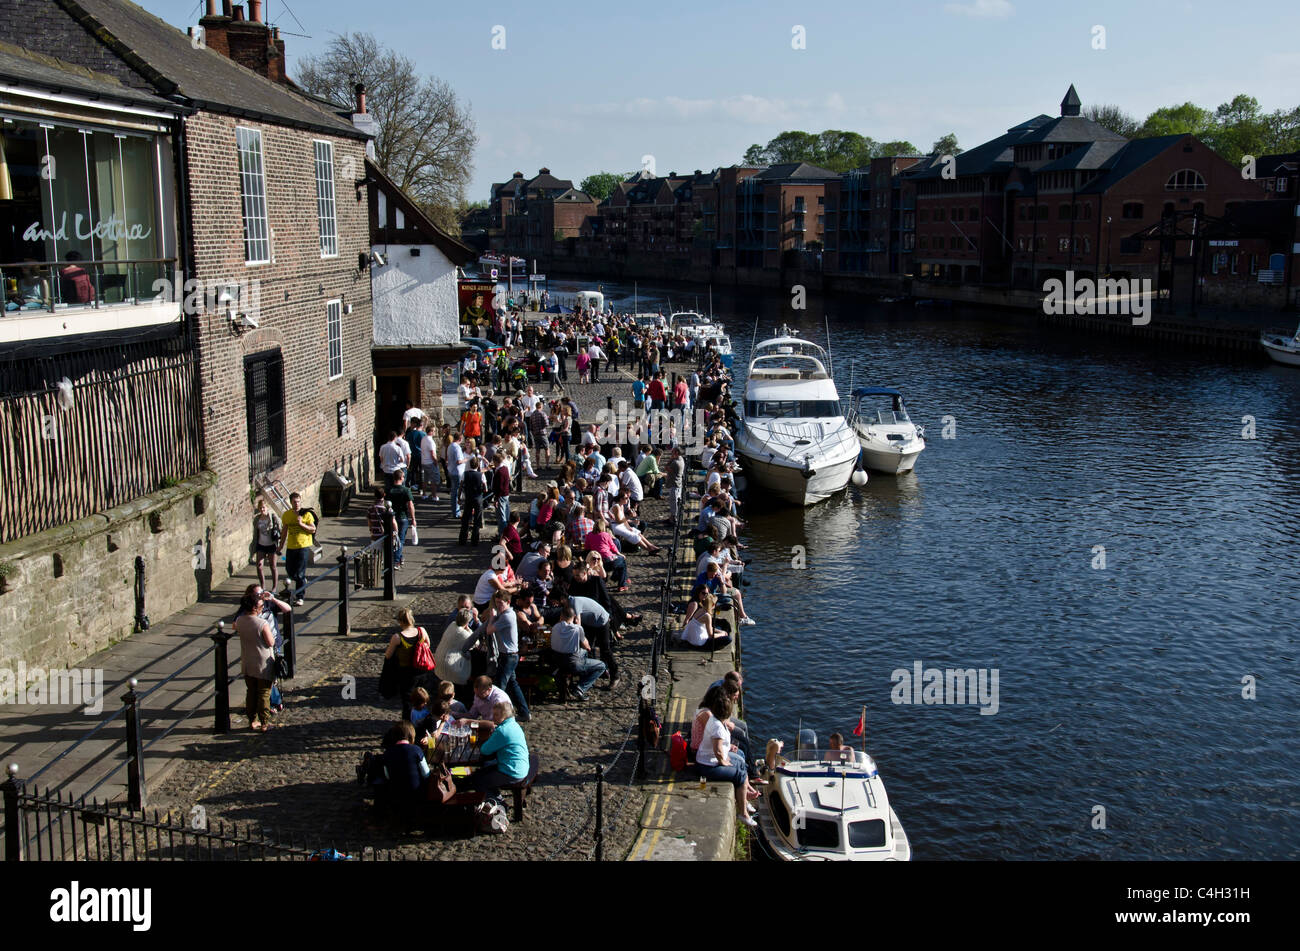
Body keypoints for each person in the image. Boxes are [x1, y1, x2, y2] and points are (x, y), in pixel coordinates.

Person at [695, 692, 759, 828]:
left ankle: (745, 797)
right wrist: (723, 761)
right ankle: (743, 814)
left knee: (741, 760)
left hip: (709, 760)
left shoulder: (716, 721)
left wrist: (726, 753)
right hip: (708, 766)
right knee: (740, 774)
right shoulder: (718, 727)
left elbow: (720, 748)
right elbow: (717, 749)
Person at [234, 588, 277, 731]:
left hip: (247, 662)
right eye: (261, 606)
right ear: (254, 608)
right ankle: (264, 723)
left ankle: (252, 721)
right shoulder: (262, 624)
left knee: (251, 692)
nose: (263, 608)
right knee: (264, 693)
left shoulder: (239, 621)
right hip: (263, 662)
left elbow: (235, 627)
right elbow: (271, 642)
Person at [469, 699, 530, 799]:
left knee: (478, 780)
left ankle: (497, 803)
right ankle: (496, 796)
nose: (493, 717)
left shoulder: (502, 731)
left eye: (496, 715)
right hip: (520, 766)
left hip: (512, 772)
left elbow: (485, 750)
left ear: (504, 715)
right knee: (483, 771)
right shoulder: (514, 725)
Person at [485, 589, 530, 722]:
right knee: (513, 684)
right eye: (497, 603)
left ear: (508, 602)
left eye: (501, 603)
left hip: (508, 657)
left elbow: (489, 630)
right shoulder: (507, 613)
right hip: (509, 655)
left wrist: (492, 617)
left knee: (500, 687)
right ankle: (524, 712)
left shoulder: (506, 616)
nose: (498, 606)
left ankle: (498, 716)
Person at [548, 603, 606, 700]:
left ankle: (575, 683)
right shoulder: (577, 629)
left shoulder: (555, 627)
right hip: (572, 663)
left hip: (557, 661)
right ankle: (581, 687)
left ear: (561, 616)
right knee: (601, 666)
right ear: (574, 617)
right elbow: (587, 646)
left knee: (583, 653)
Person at [383, 608, 432, 719]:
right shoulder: (421, 631)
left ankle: (408, 723)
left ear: (400, 621)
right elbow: (428, 645)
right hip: (421, 671)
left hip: (406, 674)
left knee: (407, 701)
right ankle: (423, 719)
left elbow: (388, 655)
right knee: (422, 697)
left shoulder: (397, 637)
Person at [278, 492, 315, 605]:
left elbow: (312, 529)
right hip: (291, 547)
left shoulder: (306, 514)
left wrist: (301, 524)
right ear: (291, 503)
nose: (297, 504)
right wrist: (280, 546)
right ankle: (302, 581)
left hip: (303, 547)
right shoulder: (287, 515)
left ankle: (300, 597)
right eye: (294, 502)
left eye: (298, 501)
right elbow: (284, 532)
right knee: (289, 571)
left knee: (299, 573)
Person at [434, 608, 478, 704]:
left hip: (439, 659)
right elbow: (476, 643)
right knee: (458, 687)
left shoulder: (452, 625)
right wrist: (469, 629)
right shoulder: (463, 633)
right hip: (450, 665)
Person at [680, 584, 731, 649]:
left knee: (721, 628)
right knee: (728, 639)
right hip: (699, 643)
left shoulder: (701, 609)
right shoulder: (705, 614)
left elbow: (706, 627)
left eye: (706, 594)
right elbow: (711, 635)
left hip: (693, 638)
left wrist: (720, 632)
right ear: (712, 605)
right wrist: (722, 634)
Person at [388, 470, 415, 570]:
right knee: (400, 540)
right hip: (403, 517)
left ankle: (399, 557)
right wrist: (413, 519)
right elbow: (410, 506)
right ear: (401, 478)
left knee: (393, 539)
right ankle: (396, 561)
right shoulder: (406, 490)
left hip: (391, 518)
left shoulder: (389, 490)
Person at [252, 498, 280, 592]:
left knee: (273, 566)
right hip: (261, 545)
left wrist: (279, 544)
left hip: (271, 545)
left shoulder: (272, 517)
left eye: (263, 507)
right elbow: (255, 532)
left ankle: (274, 587)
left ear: (267, 507)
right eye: (260, 508)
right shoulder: (257, 519)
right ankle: (263, 586)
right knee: (259, 566)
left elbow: (278, 529)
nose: (262, 509)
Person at [459, 457, 486, 546]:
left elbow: (461, 486)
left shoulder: (465, 474)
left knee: (466, 519)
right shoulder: (481, 475)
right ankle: (475, 540)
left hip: (468, 498)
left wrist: (459, 498)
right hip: (478, 498)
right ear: (478, 465)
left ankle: (462, 540)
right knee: (477, 520)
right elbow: (485, 488)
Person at [446, 431, 466, 519]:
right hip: (456, 472)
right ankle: (456, 512)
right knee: (456, 493)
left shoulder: (450, 446)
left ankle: (455, 511)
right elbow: (458, 461)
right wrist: (465, 460)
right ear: (460, 439)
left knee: (454, 492)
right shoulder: (457, 447)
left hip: (451, 470)